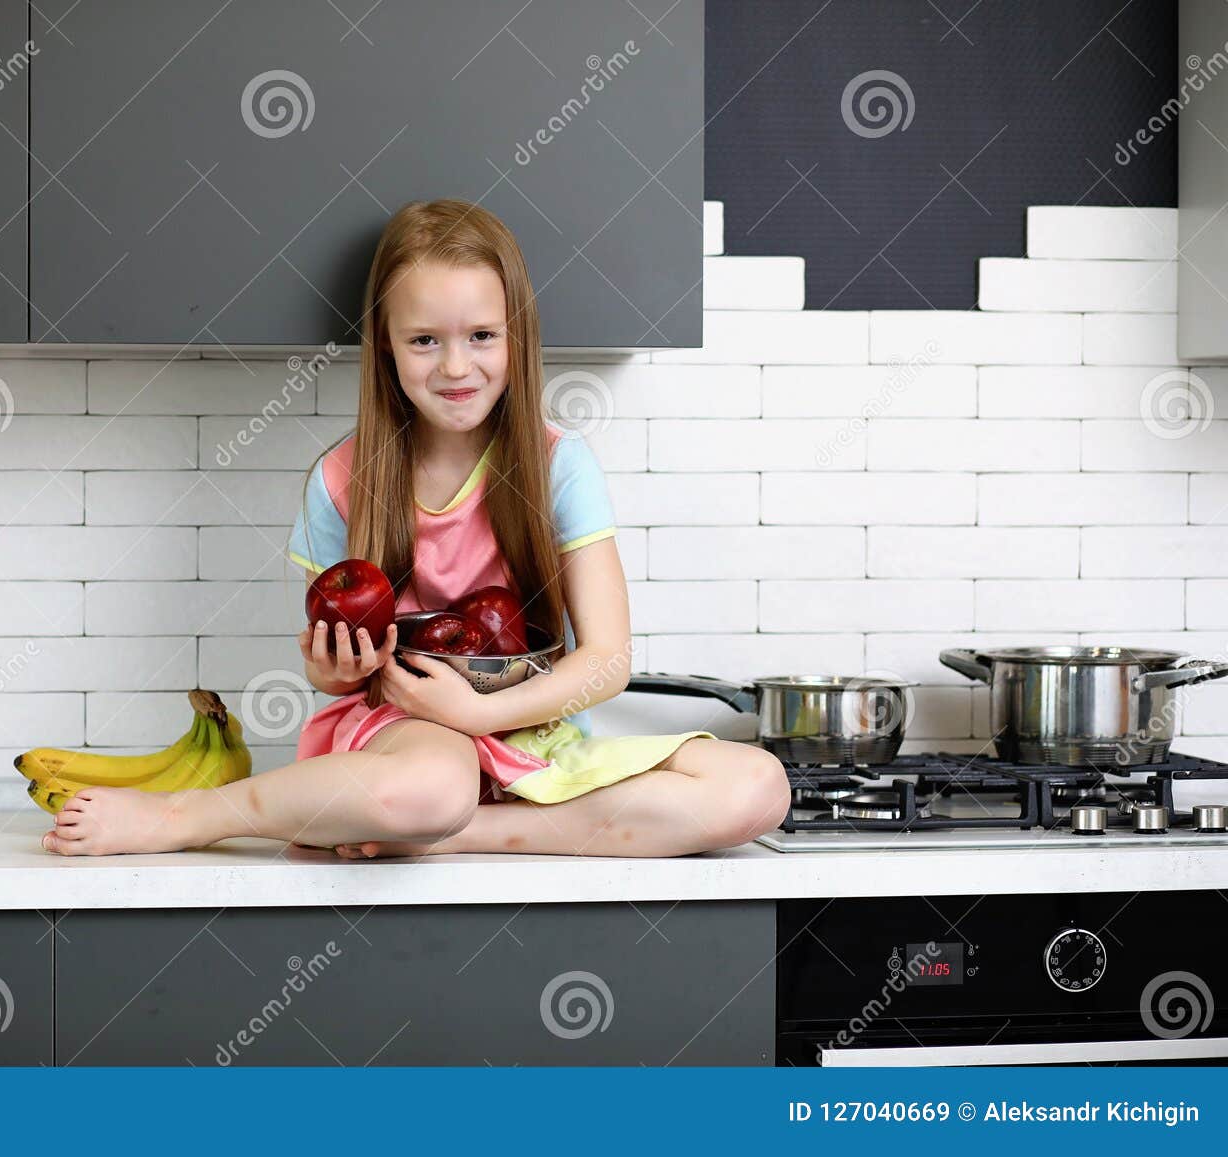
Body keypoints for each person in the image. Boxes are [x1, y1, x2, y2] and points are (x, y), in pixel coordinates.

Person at [41, 198, 790, 858]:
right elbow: (330, 671)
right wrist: (333, 669)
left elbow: (607, 660)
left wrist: (482, 713)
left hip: (525, 727)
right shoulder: (341, 480)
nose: (456, 366)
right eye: (426, 340)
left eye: (482, 337)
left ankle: (465, 833)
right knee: (433, 786)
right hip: (401, 729)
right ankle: (188, 816)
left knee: (756, 788)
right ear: (387, 346)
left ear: (517, 337)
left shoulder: (561, 466)